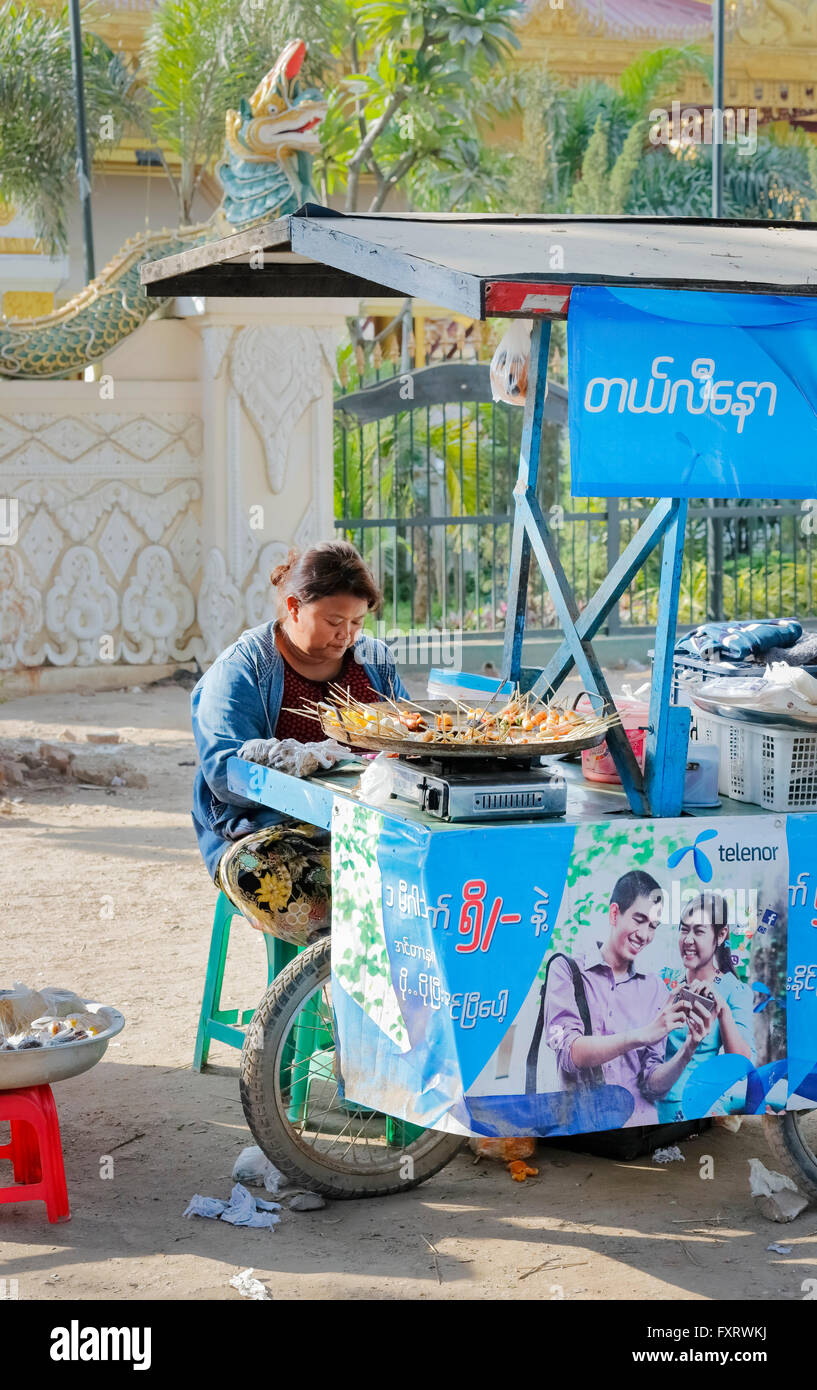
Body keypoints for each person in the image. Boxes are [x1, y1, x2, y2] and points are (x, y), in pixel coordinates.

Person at [191, 541, 407, 945]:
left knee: (433, 873)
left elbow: (404, 733)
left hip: (362, 827)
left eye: (358, 622)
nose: (346, 635)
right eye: (333, 621)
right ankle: (319, 989)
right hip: (269, 834)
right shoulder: (242, 669)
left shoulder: (373, 660)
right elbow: (224, 772)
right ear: (293, 607)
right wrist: (301, 758)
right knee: (265, 877)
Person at [543, 870, 712, 1126]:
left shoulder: (656, 988)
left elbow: (653, 1086)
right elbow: (569, 1054)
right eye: (639, 919)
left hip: (637, 1131)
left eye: (653, 926)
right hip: (584, 1129)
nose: (644, 935)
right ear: (614, 913)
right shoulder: (566, 970)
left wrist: (689, 1048)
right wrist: (643, 1034)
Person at [655, 891, 754, 1123]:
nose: (688, 940)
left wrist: (723, 1011)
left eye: (699, 931)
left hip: (695, 1104)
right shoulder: (664, 979)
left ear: (720, 936)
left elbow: (741, 1064)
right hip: (651, 1099)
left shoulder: (734, 991)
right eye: (683, 929)